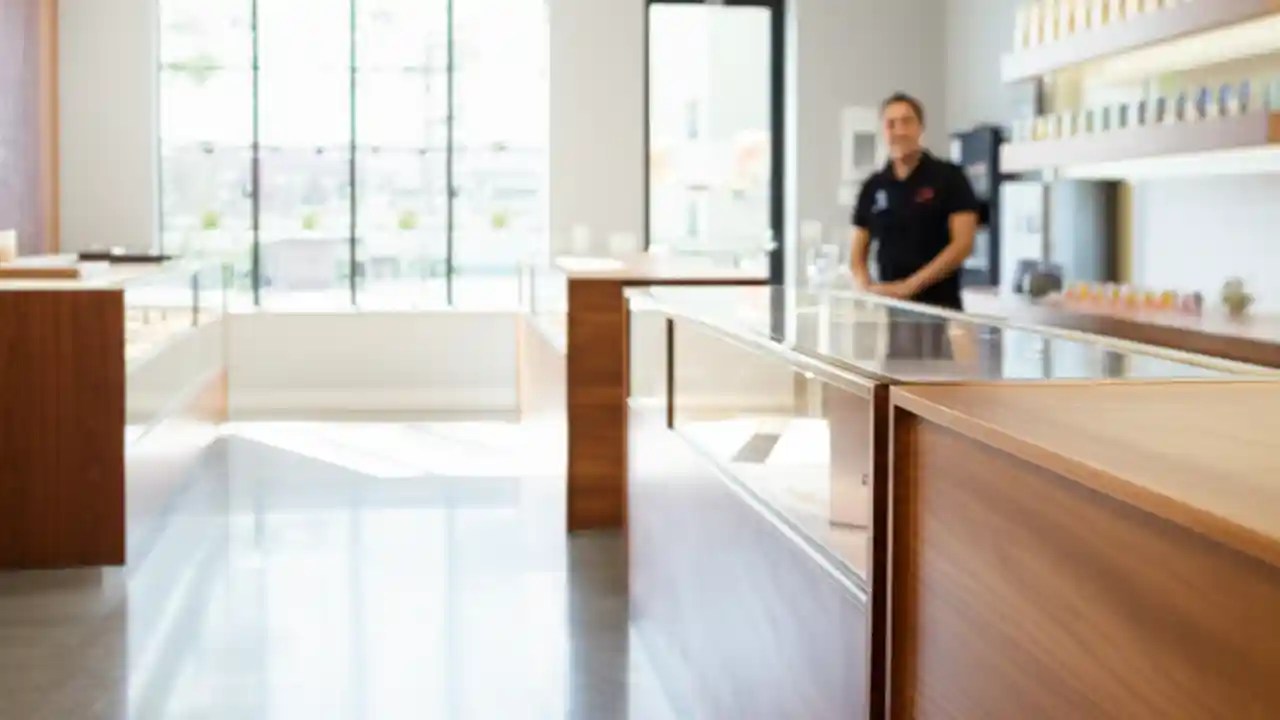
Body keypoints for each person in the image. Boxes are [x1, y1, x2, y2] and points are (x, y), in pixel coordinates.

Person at [851, 92, 979, 311]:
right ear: (884, 131)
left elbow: (963, 245)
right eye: (891, 124)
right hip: (890, 306)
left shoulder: (949, 177)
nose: (899, 130)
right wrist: (866, 286)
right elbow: (857, 253)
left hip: (940, 308)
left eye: (907, 122)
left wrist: (909, 287)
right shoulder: (872, 186)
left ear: (920, 128)